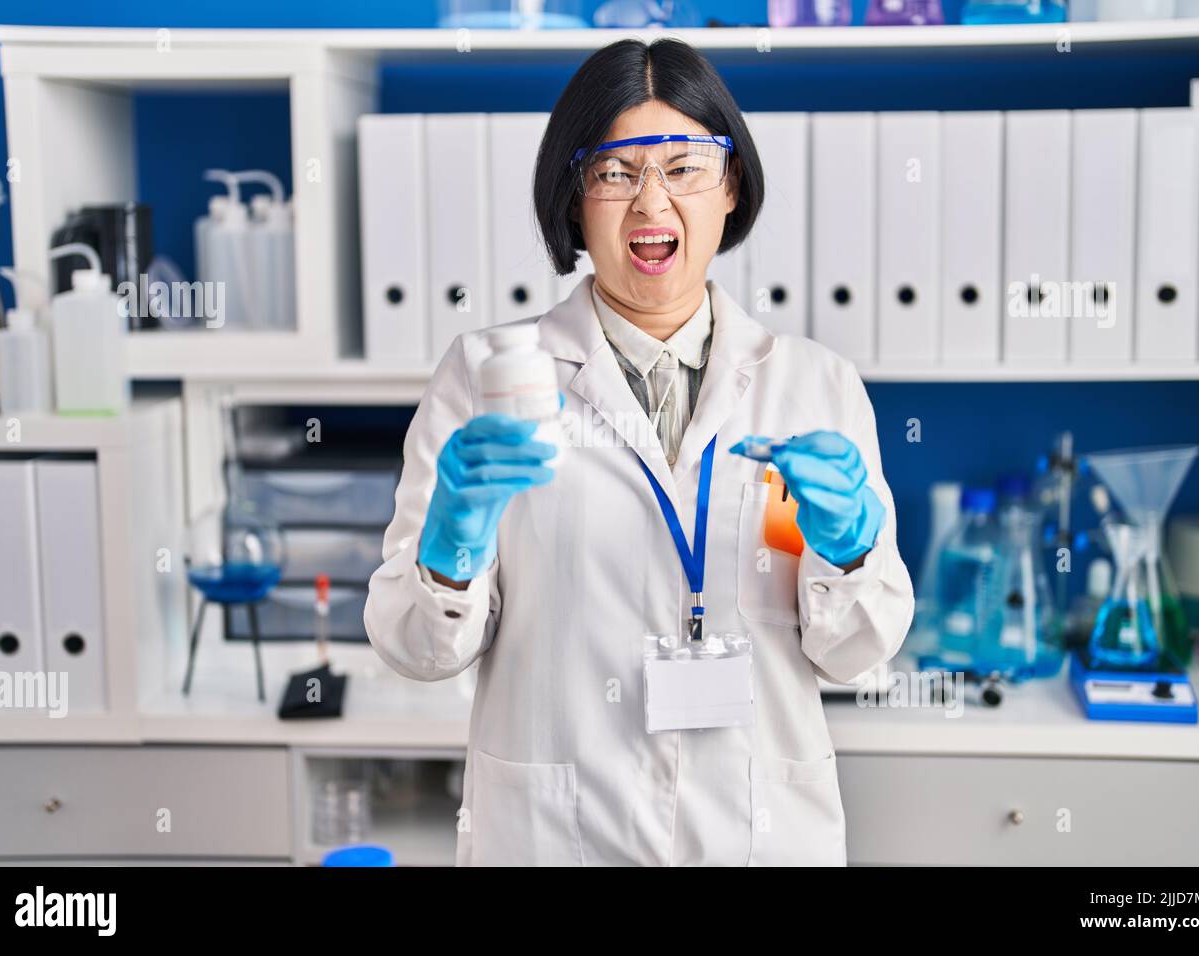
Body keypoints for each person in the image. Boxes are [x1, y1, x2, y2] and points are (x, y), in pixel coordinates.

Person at [365, 37, 914, 866]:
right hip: (556, 837)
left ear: (730, 186)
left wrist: (852, 551)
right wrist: (448, 552)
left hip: (758, 835)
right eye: (616, 172)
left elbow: (857, 653)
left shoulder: (815, 386)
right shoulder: (483, 378)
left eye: (686, 166)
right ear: (575, 197)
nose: (652, 202)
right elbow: (414, 650)